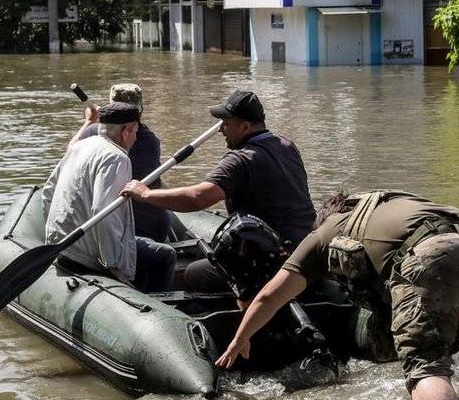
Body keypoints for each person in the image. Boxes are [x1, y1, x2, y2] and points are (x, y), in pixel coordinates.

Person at [215, 190, 459, 400]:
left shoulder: (324, 233)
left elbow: (269, 295)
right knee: (435, 349)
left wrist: (240, 339)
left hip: (429, 254)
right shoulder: (383, 204)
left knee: (424, 362)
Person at [121, 89, 315, 291]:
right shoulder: (287, 145)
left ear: (245, 126)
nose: (221, 130)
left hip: (268, 255)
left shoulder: (240, 160)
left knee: (193, 273)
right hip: (303, 247)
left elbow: (198, 198)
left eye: (227, 124)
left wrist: (145, 193)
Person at [40, 102, 175, 292]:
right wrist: (112, 264)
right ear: (125, 131)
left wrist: (54, 240)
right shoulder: (116, 157)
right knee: (164, 255)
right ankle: (159, 306)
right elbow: (104, 212)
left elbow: (47, 193)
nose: (136, 137)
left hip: (64, 246)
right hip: (88, 253)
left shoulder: (79, 146)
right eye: (135, 131)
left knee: (146, 244)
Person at [70, 83, 171, 242]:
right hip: (144, 227)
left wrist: (89, 122)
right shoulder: (150, 140)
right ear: (140, 109)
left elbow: (71, 152)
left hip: (126, 227)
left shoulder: (93, 133)